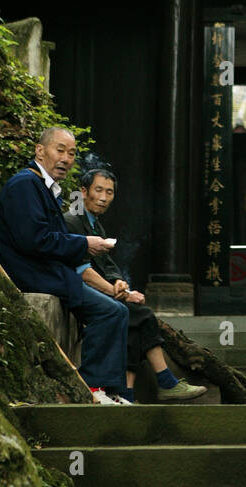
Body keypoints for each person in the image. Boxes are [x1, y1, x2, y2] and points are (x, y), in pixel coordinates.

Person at [0, 127, 129, 405]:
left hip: (48, 272)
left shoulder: (44, 188)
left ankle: (108, 389)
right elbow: (34, 240)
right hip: (31, 274)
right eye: (60, 150)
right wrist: (84, 244)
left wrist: (85, 247)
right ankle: (92, 389)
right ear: (40, 151)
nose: (66, 158)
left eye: (72, 153)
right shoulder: (25, 186)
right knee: (110, 311)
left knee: (119, 310)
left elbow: (52, 239)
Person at [68, 155, 206, 404]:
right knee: (140, 316)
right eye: (98, 190)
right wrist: (116, 292)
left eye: (109, 192)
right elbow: (83, 270)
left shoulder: (96, 226)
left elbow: (108, 266)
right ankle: (163, 382)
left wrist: (121, 284)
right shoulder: (72, 221)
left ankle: (129, 393)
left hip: (101, 291)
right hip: (77, 292)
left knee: (135, 316)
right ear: (83, 191)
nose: (104, 197)